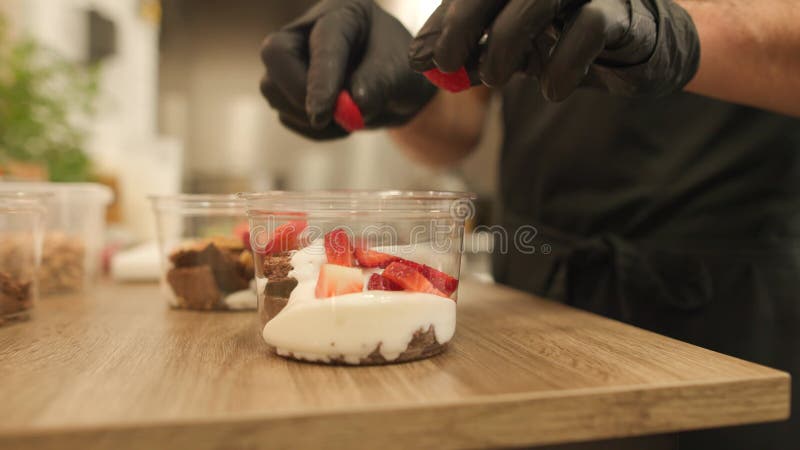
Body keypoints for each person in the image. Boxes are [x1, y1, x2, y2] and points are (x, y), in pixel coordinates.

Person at [258, 1, 800, 448]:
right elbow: (462, 121)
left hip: (732, 317)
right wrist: (405, 87)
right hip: (533, 310)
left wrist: (678, 33)